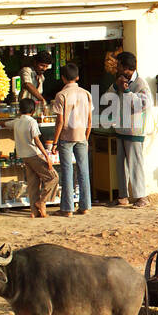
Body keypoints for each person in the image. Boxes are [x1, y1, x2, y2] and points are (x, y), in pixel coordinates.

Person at [111, 51, 154, 208]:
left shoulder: (141, 84)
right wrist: (117, 86)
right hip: (121, 129)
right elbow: (109, 95)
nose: (117, 68)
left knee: (135, 165)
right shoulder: (120, 81)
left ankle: (141, 196)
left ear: (126, 67)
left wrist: (127, 92)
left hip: (134, 130)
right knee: (121, 166)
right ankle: (123, 196)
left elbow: (142, 105)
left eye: (119, 65)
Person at [50, 63, 93, 217]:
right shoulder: (86, 94)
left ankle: (67, 208)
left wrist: (55, 142)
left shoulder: (61, 95)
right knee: (83, 171)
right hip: (82, 135)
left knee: (67, 171)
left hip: (66, 137)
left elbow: (60, 121)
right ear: (77, 77)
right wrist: (86, 137)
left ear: (63, 78)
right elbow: (89, 120)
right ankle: (85, 206)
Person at [12, 98, 59, 217]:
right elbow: (37, 140)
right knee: (53, 177)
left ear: (19, 110)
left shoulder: (17, 121)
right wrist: (46, 156)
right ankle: (41, 202)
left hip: (24, 156)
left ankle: (34, 212)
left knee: (33, 184)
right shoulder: (31, 121)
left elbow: (4, 123)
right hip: (34, 154)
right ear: (33, 110)